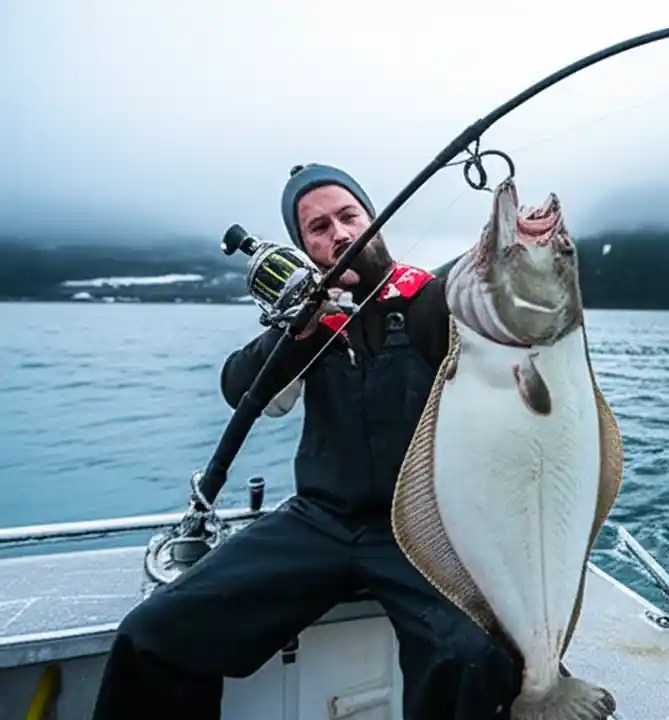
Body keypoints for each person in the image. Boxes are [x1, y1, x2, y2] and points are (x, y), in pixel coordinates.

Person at [91, 163, 520, 720]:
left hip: (419, 527)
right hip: (319, 520)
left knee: (471, 656)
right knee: (154, 633)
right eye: (318, 228)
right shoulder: (304, 323)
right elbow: (240, 390)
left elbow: (505, 347)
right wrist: (297, 330)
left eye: (349, 216)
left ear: (372, 219)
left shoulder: (431, 300)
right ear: (305, 248)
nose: (339, 233)